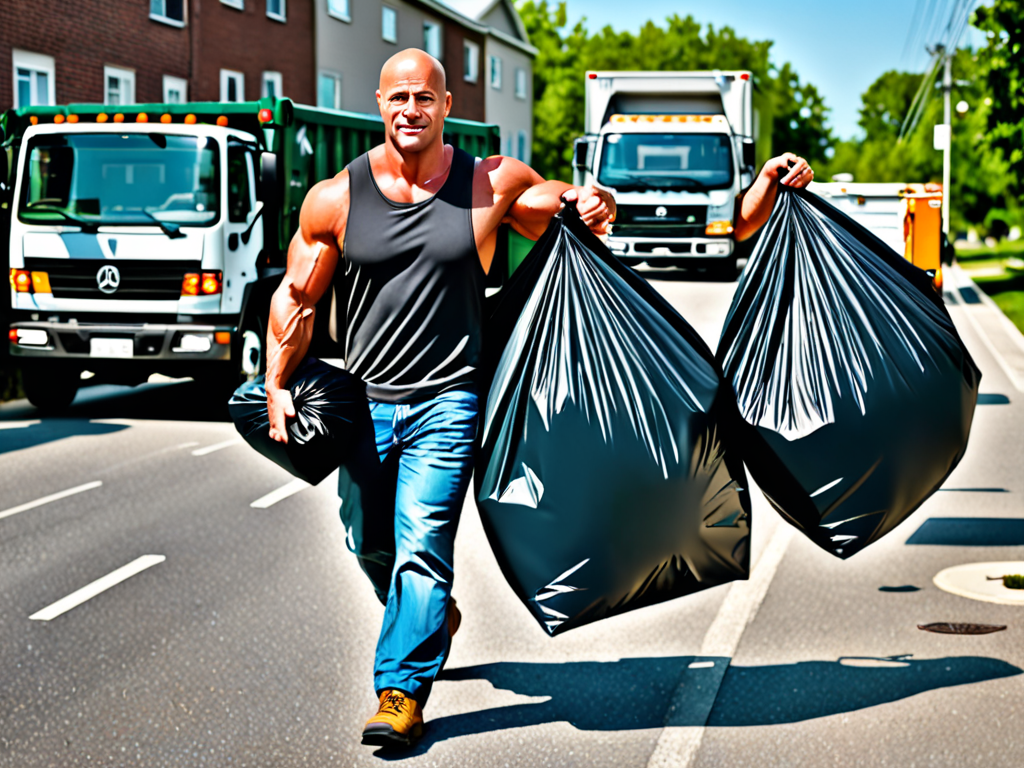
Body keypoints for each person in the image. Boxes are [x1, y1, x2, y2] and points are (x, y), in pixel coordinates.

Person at [263, 48, 812, 750]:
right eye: (398, 99)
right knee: (368, 539)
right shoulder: (336, 197)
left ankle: (400, 690)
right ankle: (431, 616)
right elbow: (297, 295)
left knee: (422, 543)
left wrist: (587, 199)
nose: (410, 111)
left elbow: (547, 201)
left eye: (424, 99)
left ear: (446, 107)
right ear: (379, 103)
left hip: (448, 402)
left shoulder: (485, 184)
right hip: (365, 402)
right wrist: (278, 383)